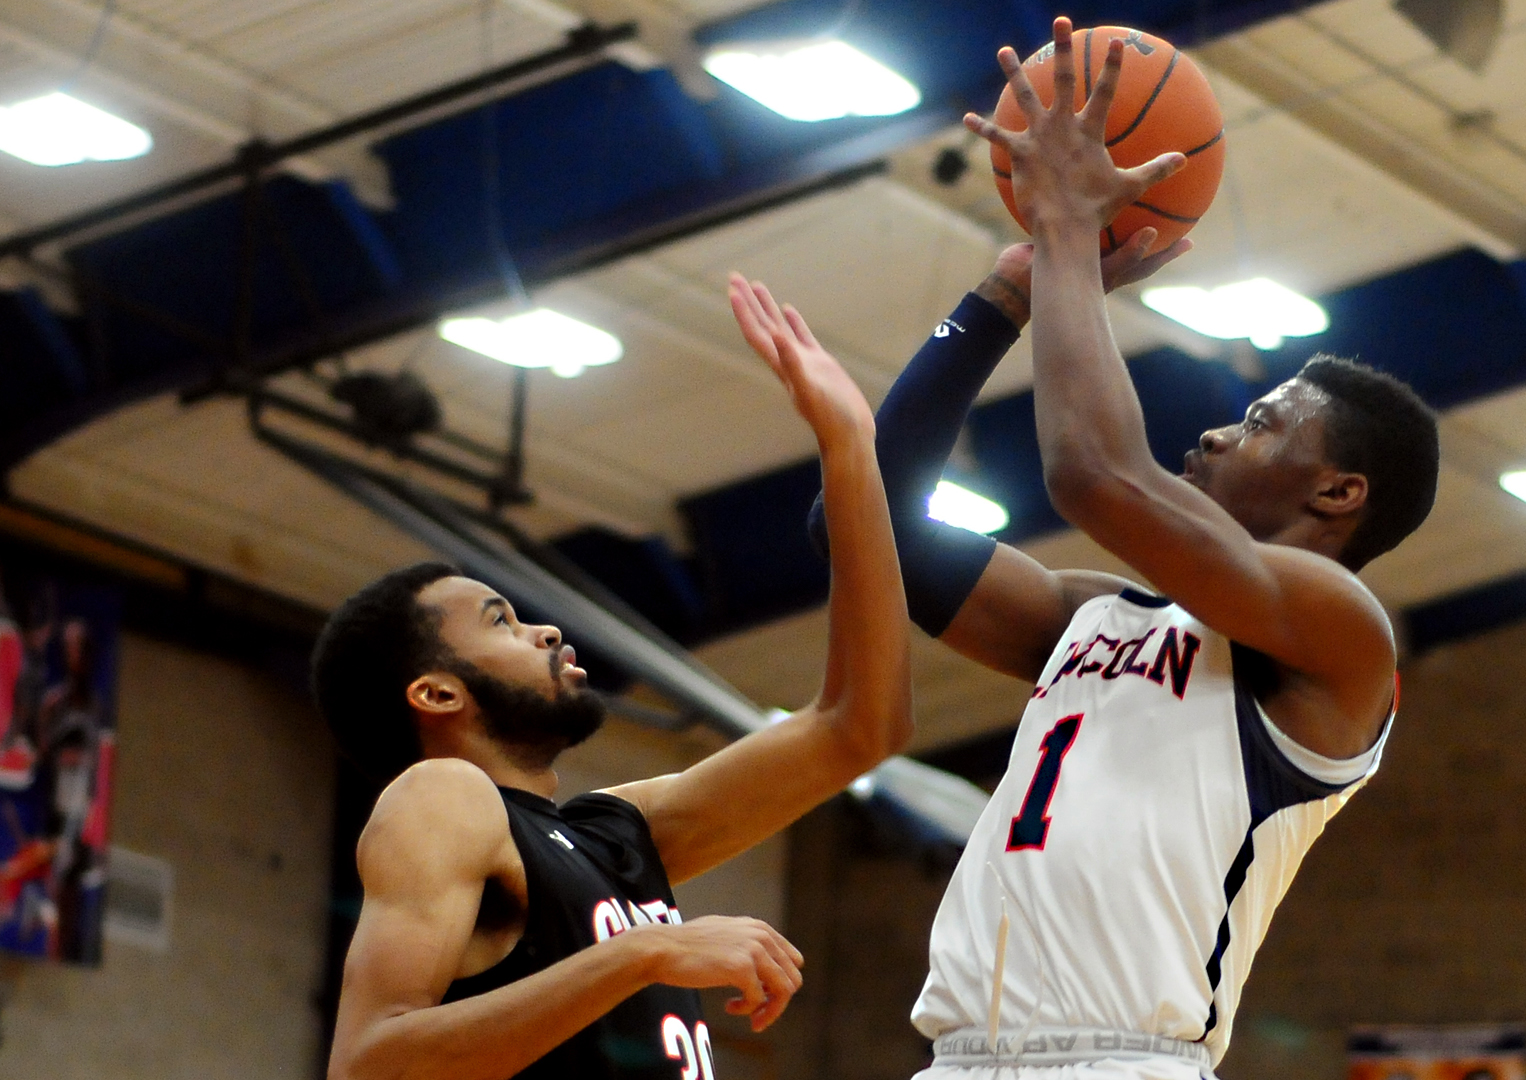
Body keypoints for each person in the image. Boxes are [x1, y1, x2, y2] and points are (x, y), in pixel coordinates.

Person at [817, 21, 1440, 1079]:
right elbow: (859, 529)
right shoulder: (1093, 618)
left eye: (1262, 423)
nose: (1215, 433)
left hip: (1126, 1062)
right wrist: (1002, 302)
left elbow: (1099, 475)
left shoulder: (1341, 639)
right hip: (954, 1059)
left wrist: (1068, 228)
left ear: (1339, 492)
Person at [318, 274, 911, 1080]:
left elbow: (858, 728)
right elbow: (370, 1062)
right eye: (501, 621)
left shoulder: (613, 834)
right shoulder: (442, 798)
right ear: (436, 693)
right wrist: (644, 953)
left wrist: (849, 452)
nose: (545, 628)